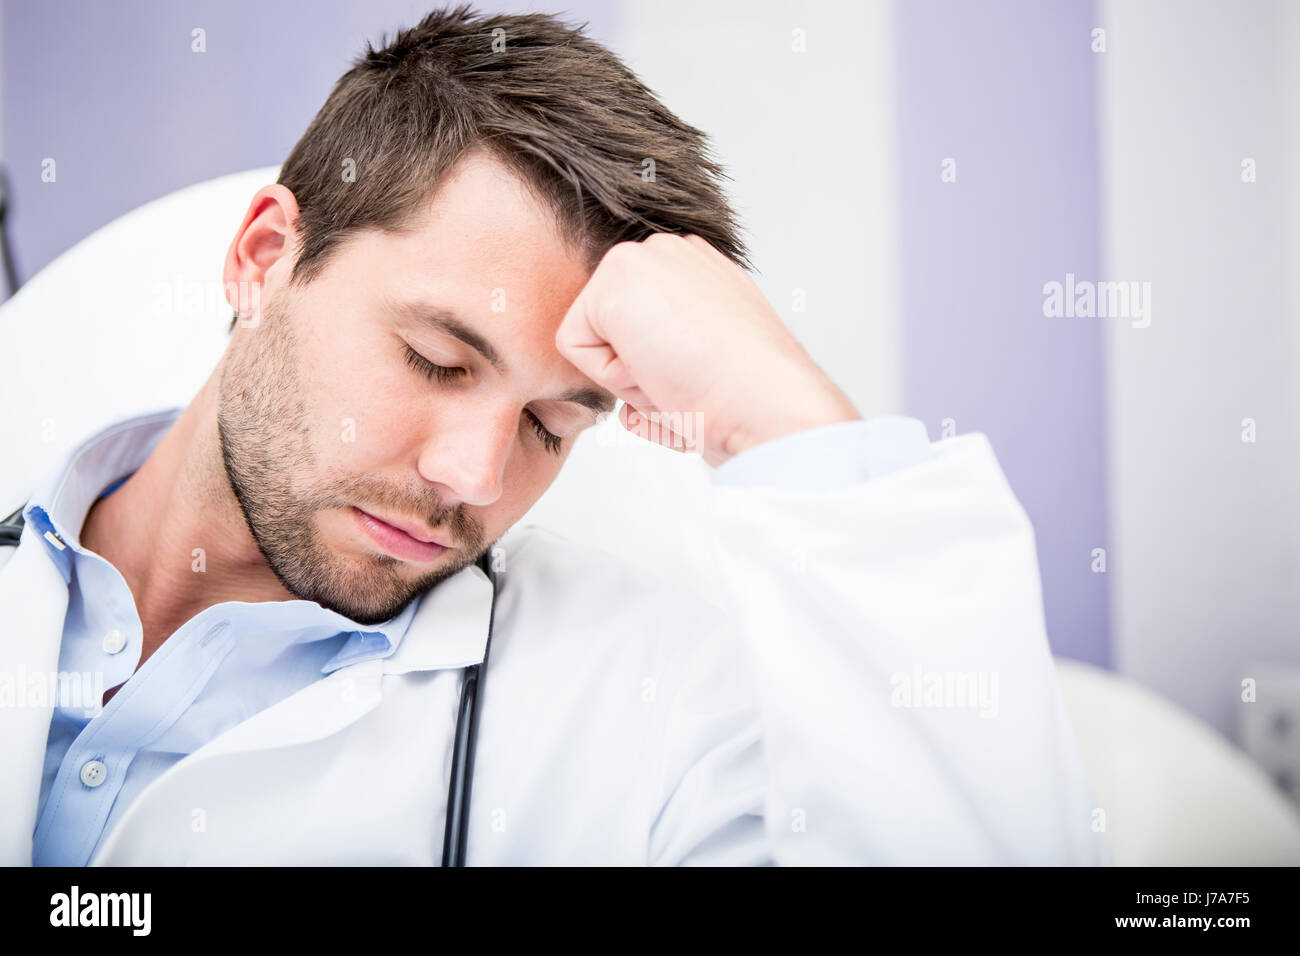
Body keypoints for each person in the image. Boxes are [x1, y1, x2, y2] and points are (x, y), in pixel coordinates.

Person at [0, 4, 1103, 865]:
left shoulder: (655, 715)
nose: (471, 478)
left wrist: (785, 414)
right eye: (435, 359)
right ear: (263, 258)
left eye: (550, 423)